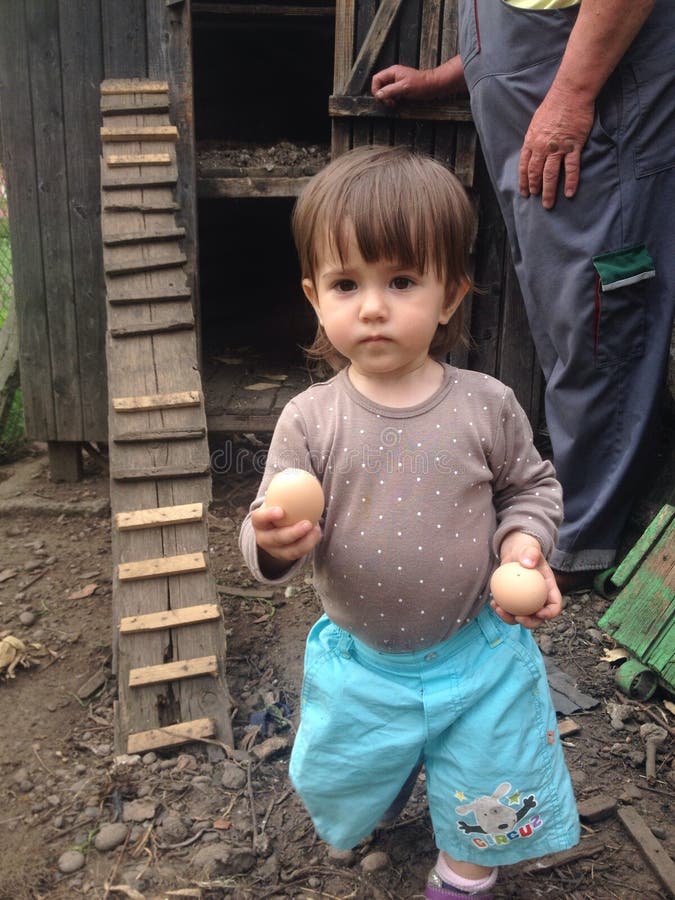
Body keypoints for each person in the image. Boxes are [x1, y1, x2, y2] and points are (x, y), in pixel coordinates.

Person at [239, 145, 580, 899]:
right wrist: (269, 541)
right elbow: (269, 515)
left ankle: (463, 874)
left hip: (476, 652)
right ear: (313, 294)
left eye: (400, 281)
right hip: (364, 663)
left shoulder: (484, 404)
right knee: (346, 774)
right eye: (345, 283)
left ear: (450, 294)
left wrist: (524, 546)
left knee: (490, 780)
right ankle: (385, 783)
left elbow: (530, 488)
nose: (371, 306)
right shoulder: (311, 419)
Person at [372, 0, 675, 594]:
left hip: (595, 105)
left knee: (600, 314)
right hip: (548, 102)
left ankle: (582, 544)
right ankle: (565, 513)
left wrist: (571, 95)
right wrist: (446, 76)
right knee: (565, 316)